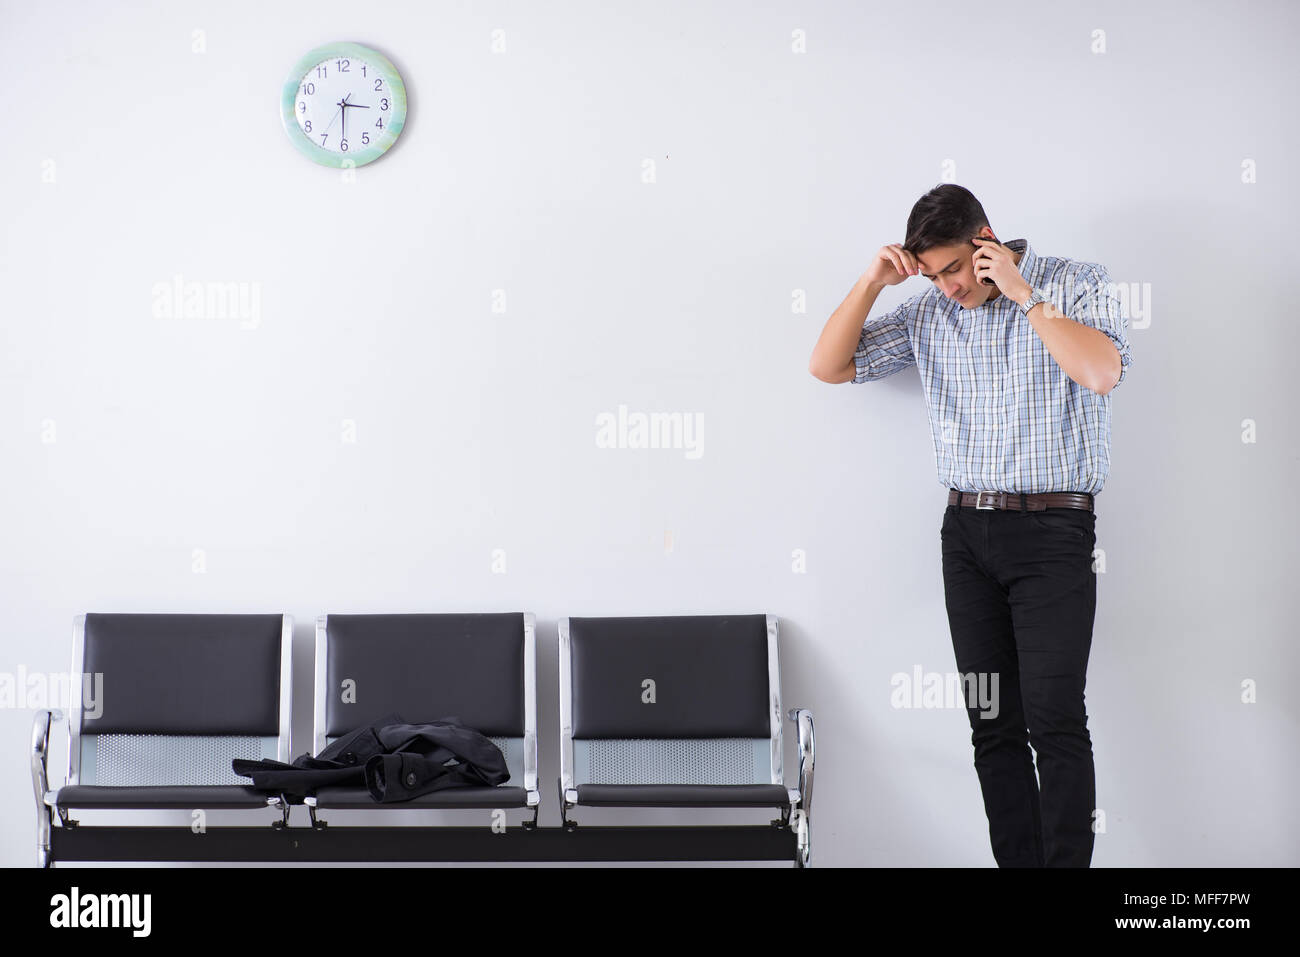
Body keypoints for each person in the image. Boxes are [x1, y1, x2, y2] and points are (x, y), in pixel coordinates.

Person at [808, 183, 1133, 867]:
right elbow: (827, 365)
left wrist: (1023, 295)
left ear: (985, 240)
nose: (948, 286)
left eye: (954, 267)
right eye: (932, 274)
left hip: (1053, 536)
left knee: (1055, 721)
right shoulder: (931, 315)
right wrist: (872, 280)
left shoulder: (1075, 283)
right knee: (992, 725)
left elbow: (1102, 372)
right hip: (967, 538)